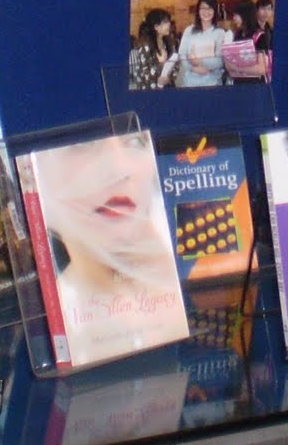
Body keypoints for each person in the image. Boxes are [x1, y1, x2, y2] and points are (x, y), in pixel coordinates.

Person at [28, 131, 186, 366]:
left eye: (135, 142)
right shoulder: (54, 331)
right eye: (83, 142)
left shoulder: (190, 283)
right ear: (33, 171)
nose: (119, 170)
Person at [177, 0, 232, 87]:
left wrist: (198, 61)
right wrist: (192, 68)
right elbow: (182, 55)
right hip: (190, 83)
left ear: (215, 11)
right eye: (203, 8)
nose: (206, 12)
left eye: (210, 8)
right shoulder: (189, 30)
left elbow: (220, 60)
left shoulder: (220, 33)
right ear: (198, 10)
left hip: (213, 83)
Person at [129, 8, 177, 89]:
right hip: (151, 89)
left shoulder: (169, 43)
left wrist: (169, 78)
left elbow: (176, 64)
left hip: (168, 86)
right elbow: (144, 71)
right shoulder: (145, 46)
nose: (169, 24)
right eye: (165, 22)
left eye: (168, 21)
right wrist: (161, 64)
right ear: (156, 27)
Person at [225, 0, 271, 83]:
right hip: (239, 84)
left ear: (245, 15)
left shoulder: (259, 36)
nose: (234, 18)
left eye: (236, 15)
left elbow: (262, 68)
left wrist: (237, 69)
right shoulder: (238, 34)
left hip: (256, 85)